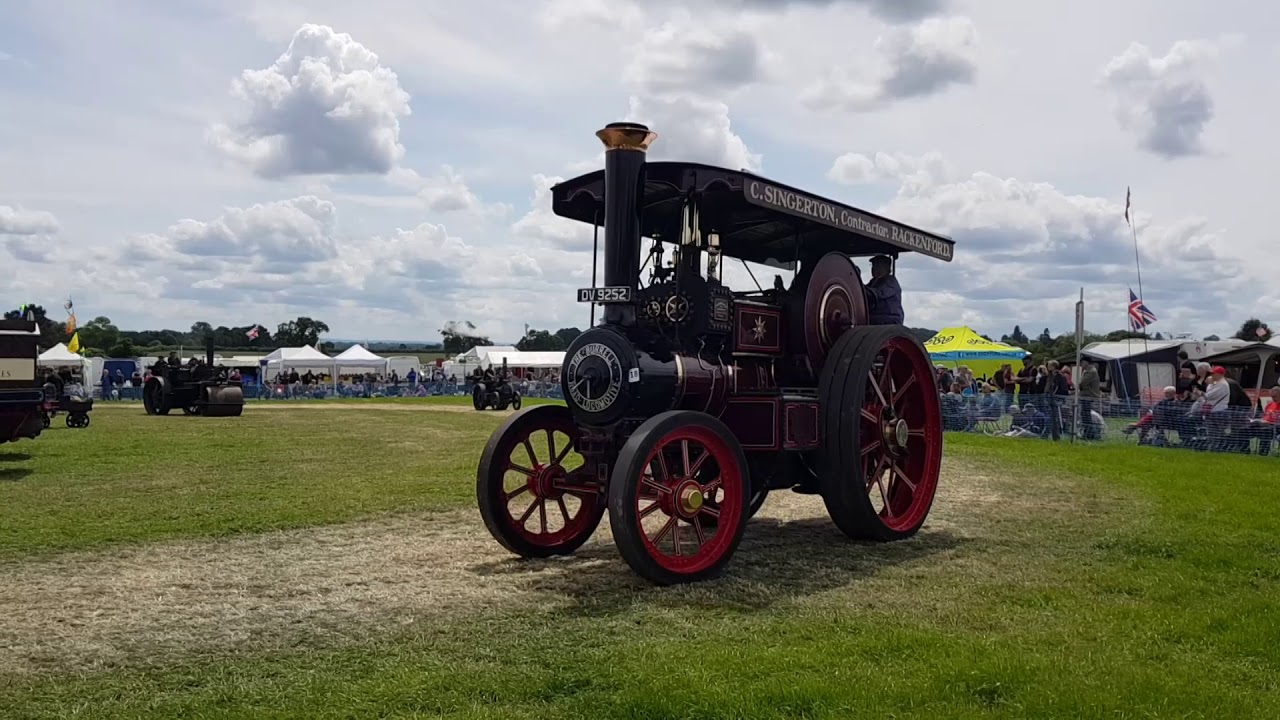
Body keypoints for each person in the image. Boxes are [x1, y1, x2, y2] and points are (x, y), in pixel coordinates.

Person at [865, 255, 903, 325]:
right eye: (872, 266)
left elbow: (879, 293)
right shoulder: (874, 281)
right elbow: (865, 290)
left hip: (890, 318)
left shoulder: (891, 282)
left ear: (885, 267)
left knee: (862, 319)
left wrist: (865, 291)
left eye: (876, 265)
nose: (873, 268)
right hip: (878, 316)